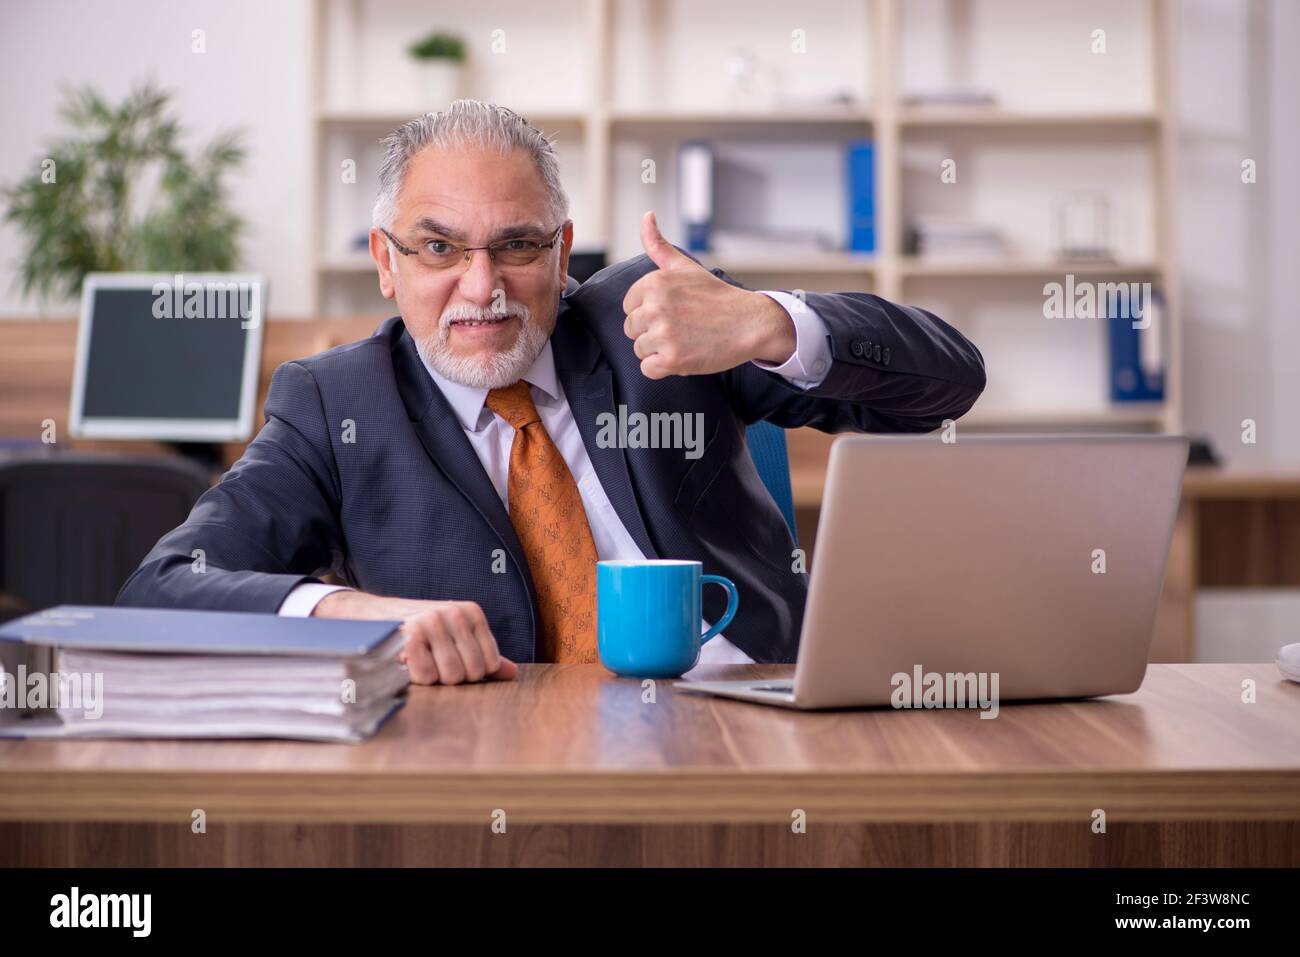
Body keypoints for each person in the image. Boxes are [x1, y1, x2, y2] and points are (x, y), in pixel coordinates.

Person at [118, 100, 986, 685]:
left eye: (518, 245)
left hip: (757, 723)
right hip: (511, 769)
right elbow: (161, 587)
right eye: (438, 248)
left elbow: (948, 384)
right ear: (385, 262)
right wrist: (352, 613)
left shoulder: (656, 320)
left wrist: (768, 322)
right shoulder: (335, 403)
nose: (481, 285)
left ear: (564, 252)